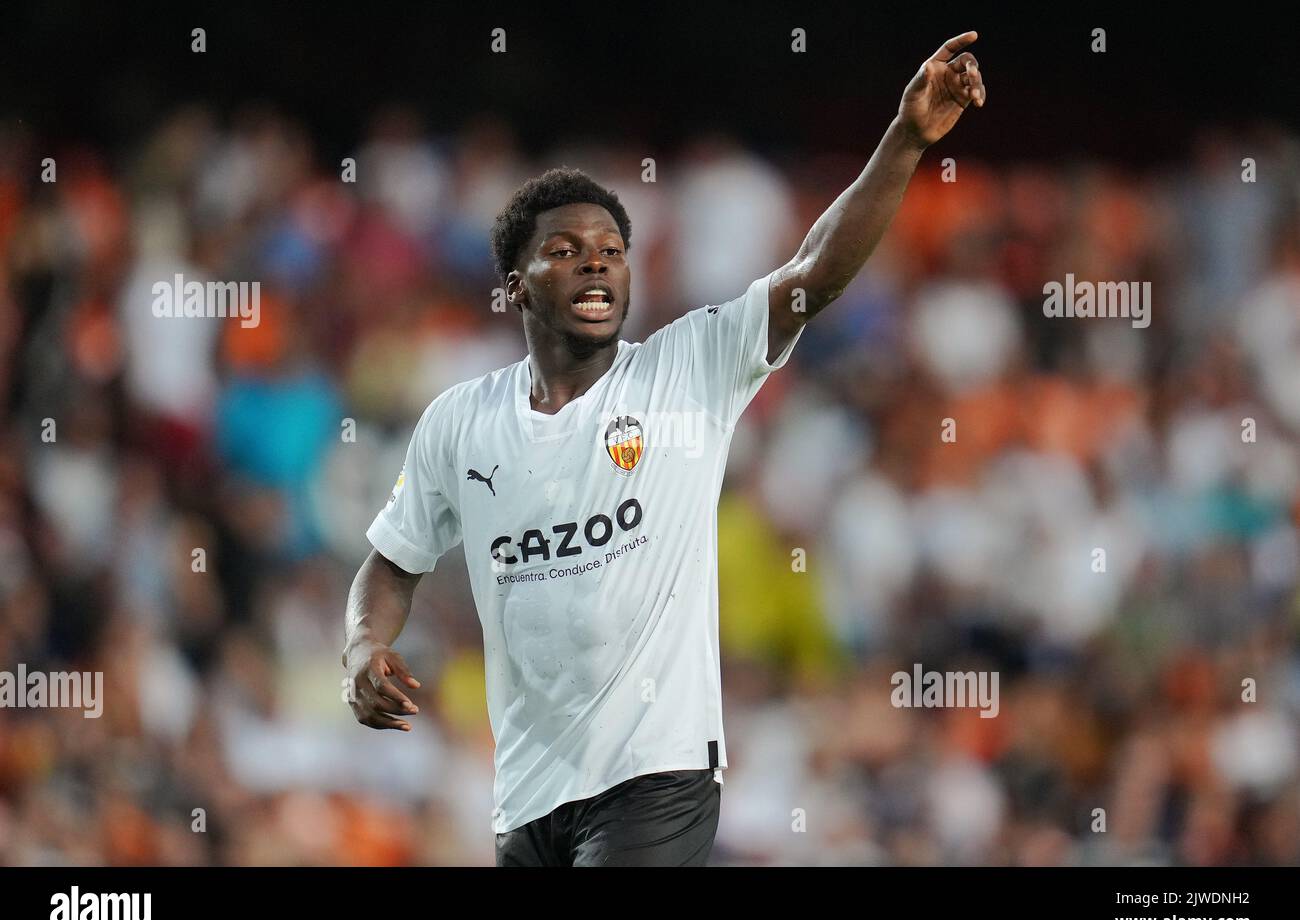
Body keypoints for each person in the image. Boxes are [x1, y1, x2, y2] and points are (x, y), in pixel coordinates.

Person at [342, 32, 987, 866]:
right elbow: (392, 562)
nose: (597, 266)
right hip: (529, 792)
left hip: (658, 773)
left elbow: (814, 272)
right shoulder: (460, 423)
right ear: (513, 285)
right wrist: (363, 645)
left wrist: (904, 141)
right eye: (566, 252)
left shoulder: (690, 368)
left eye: (612, 250)